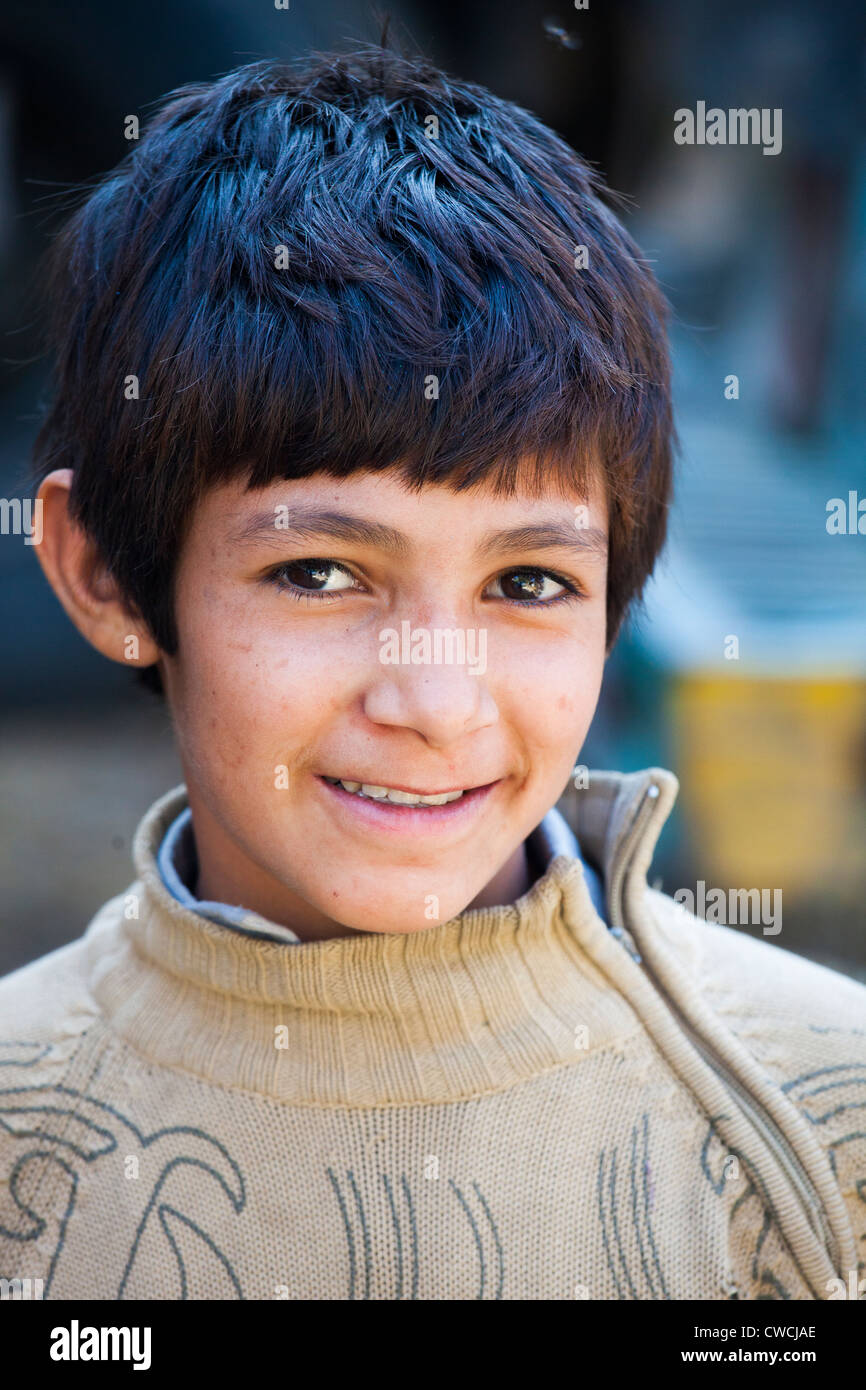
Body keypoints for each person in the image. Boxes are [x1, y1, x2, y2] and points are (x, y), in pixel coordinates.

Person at [1, 43, 863, 1302]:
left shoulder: (815, 1119)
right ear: (108, 579)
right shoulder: (28, 1127)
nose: (433, 703)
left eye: (526, 584)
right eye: (319, 574)